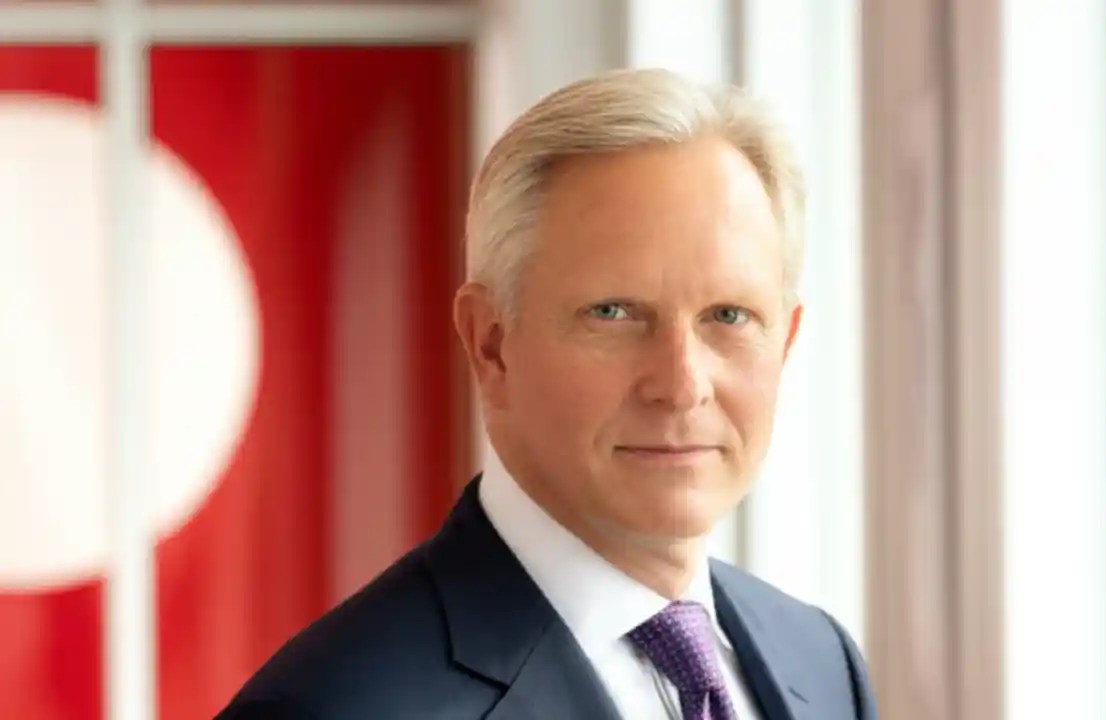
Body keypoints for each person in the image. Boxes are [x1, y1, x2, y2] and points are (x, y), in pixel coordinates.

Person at [218, 67, 875, 720]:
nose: (681, 386)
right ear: (492, 344)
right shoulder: (331, 705)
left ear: (785, 343)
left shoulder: (819, 661)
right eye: (614, 313)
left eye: (728, 317)